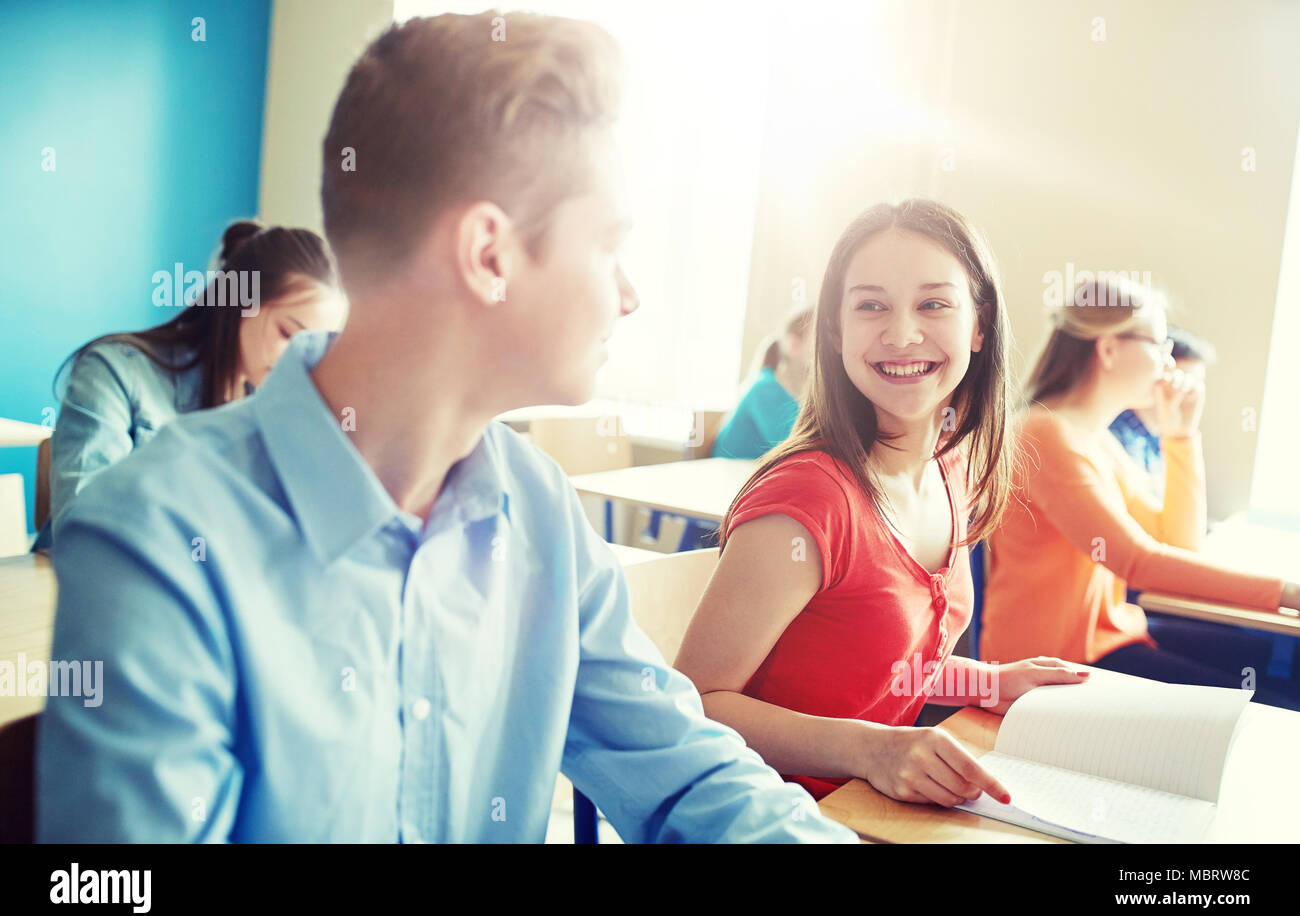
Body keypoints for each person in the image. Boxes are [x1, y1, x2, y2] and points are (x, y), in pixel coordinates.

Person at [37, 12, 858, 843]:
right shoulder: (160, 536)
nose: (630, 294)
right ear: (489, 255)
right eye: (608, 244)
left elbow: (688, 773)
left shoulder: (539, 510)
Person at [674, 200, 1087, 808]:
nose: (900, 334)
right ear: (837, 329)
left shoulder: (952, 472)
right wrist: (870, 750)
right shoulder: (808, 498)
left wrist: (988, 683)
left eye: (933, 304)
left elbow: (874, 669)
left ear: (980, 324)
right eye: (871, 305)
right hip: (767, 815)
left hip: (870, 808)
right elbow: (695, 706)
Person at [981, 275, 1300, 707]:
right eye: (1159, 343)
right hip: (1052, 666)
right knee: (1260, 701)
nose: (1169, 363)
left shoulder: (1095, 438)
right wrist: (1285, 591)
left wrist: (1181, 436)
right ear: (1109, 349)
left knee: (1264, 658)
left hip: (1108, 637)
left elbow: (1178, 544)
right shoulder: (1044, 434)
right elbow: (1137, 563)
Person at [33, 221, 345, 549]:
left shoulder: (275, 410)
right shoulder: (113, 372)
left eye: (312, 349)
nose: (298, 363)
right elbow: (84, 530)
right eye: (288, 334)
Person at [1109, 324, 1216, 499]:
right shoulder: (1116, 437)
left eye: (1196, 385)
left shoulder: (1160, 439)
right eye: (1182, 381)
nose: (1190, 395)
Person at [712, 306, 813, 458]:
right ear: (794, 345)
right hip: (729, 475)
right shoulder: (765, 389)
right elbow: (797, 450)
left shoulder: (790, 395)